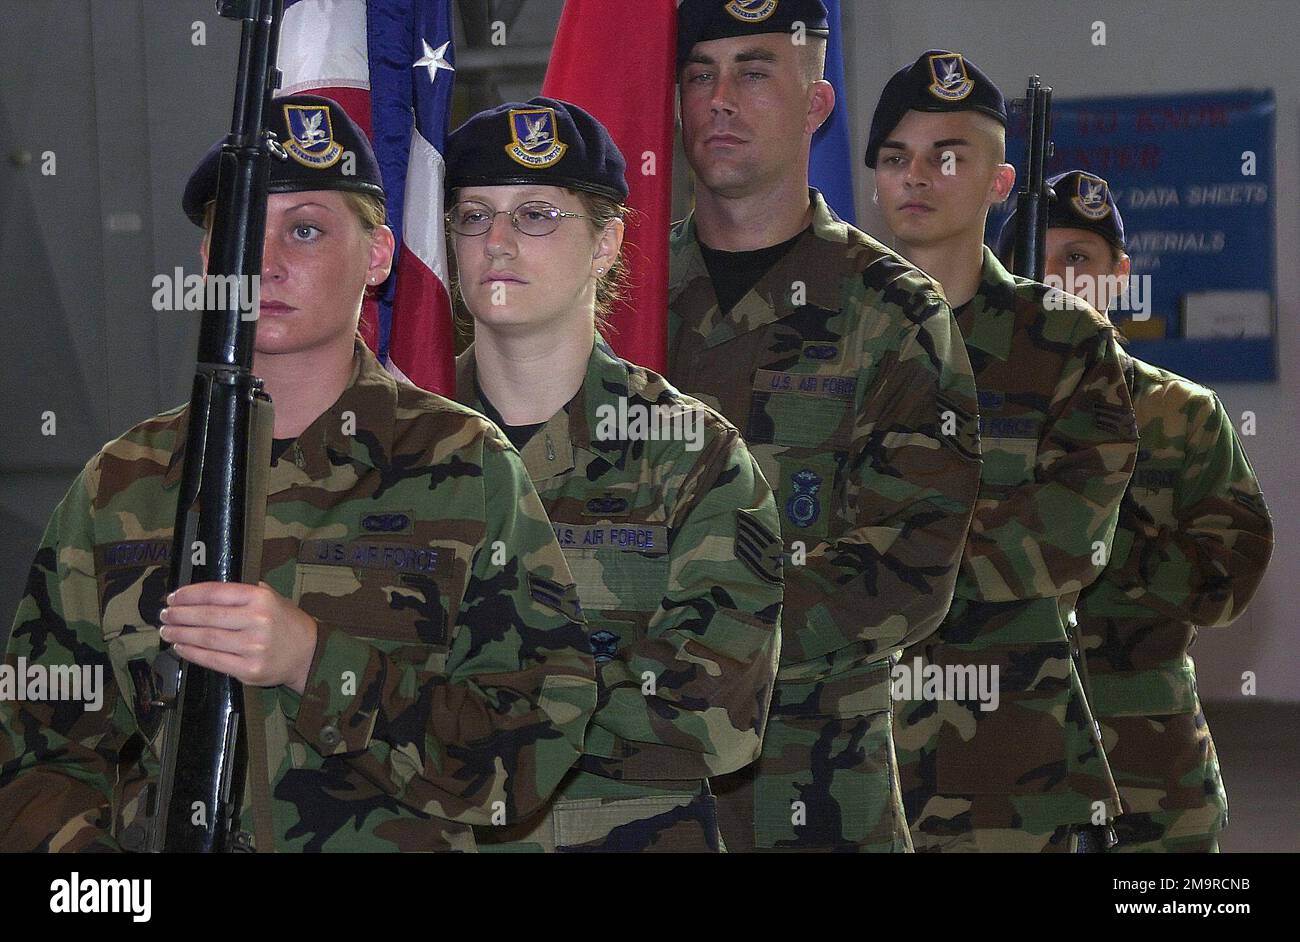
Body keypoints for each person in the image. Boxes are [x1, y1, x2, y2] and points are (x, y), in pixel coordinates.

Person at [0, 94, 597, 852]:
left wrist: (317, 663)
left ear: (377, 256)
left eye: (306, 230)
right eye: (243, 229)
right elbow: (36, 750)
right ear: (210, 262)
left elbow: (539, 742)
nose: (267, 261)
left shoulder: (462, 467)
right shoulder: (124, 484)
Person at [668, 2, 983, 852]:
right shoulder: (614, 303)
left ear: (817, 103)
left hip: (812, 790)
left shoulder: (890, 311)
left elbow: (912, 566)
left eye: (754, 70)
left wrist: (702, 643)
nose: (720, 98)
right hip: (624, 790)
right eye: (700, 73)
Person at [445, 97, 784, 852]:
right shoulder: (396, 448)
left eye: (535, 215)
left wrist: (461, 718)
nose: (496, 242)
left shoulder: (690, 456)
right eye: (473, 216)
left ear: (606, 243)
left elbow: (715, 718)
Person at [869, 51, 1139, 852]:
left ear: (997, 182)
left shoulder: (1064, 342)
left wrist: (887, 548)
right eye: (894, 157)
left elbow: (1069, 539)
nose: (916, 176)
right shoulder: (818, 334)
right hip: (836, 756)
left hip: (1010, 766)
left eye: (947, 156)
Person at [997, 171, 1275, 852]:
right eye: (1036, 261)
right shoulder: (954, 408)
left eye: (1080, 260)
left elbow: (1224, 586)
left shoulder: (1181, 417)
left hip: (1147, 763)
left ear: (1119, 277)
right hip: (991, 758)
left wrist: (1093, 524)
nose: (1059, 280)